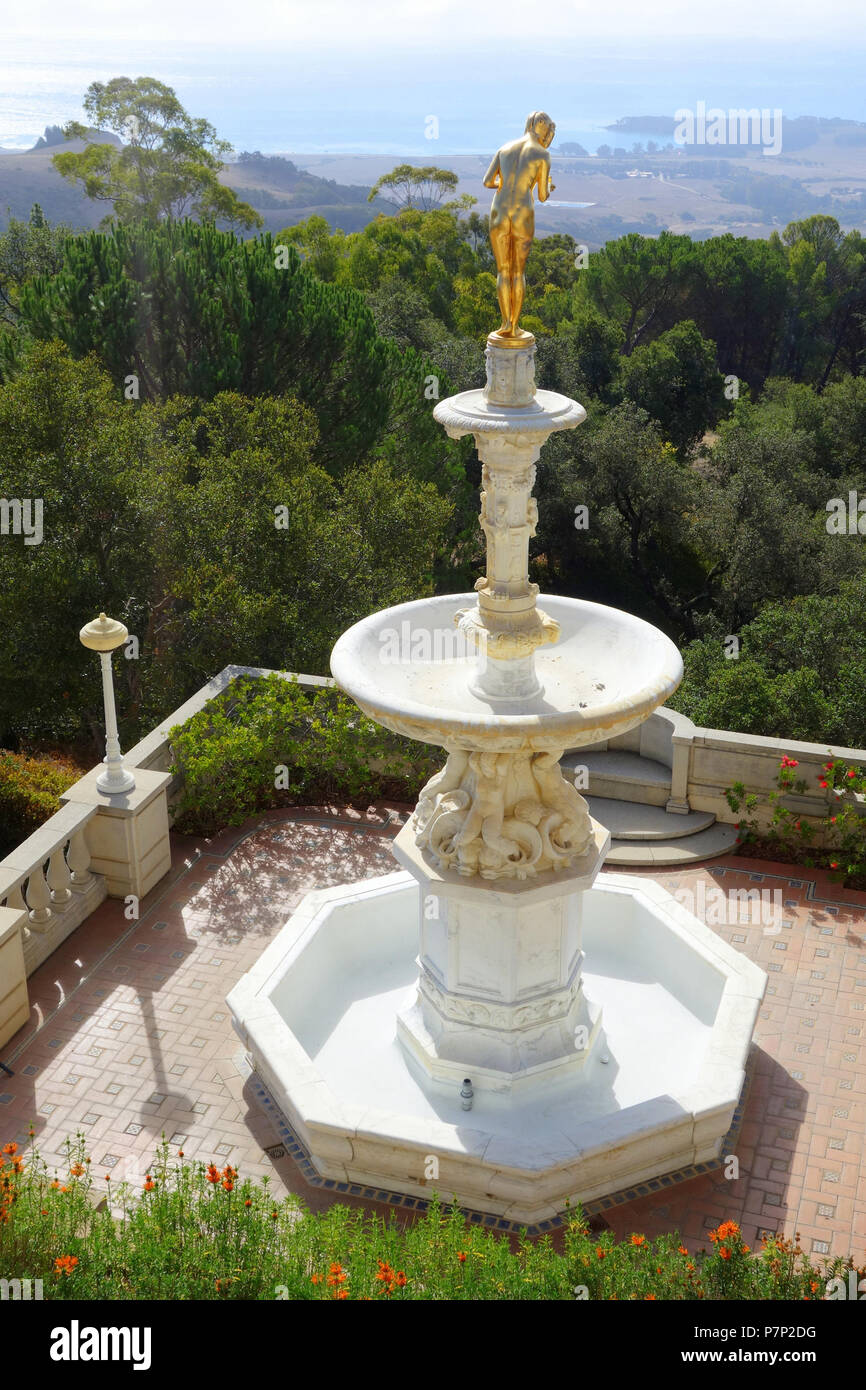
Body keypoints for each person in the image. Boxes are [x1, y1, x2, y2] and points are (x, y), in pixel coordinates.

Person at [483, 111, 556, 339]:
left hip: (499, 209)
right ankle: (514, 326)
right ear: (540, 124)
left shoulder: (504, 149)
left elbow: (487, 182)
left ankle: (505, 323)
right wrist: (549, 185)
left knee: (503, 270)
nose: (549, 134)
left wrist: (505, 185)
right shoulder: (542, 155)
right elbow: (542, 195)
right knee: (518, 271)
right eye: (549, 129)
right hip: (523, 211)